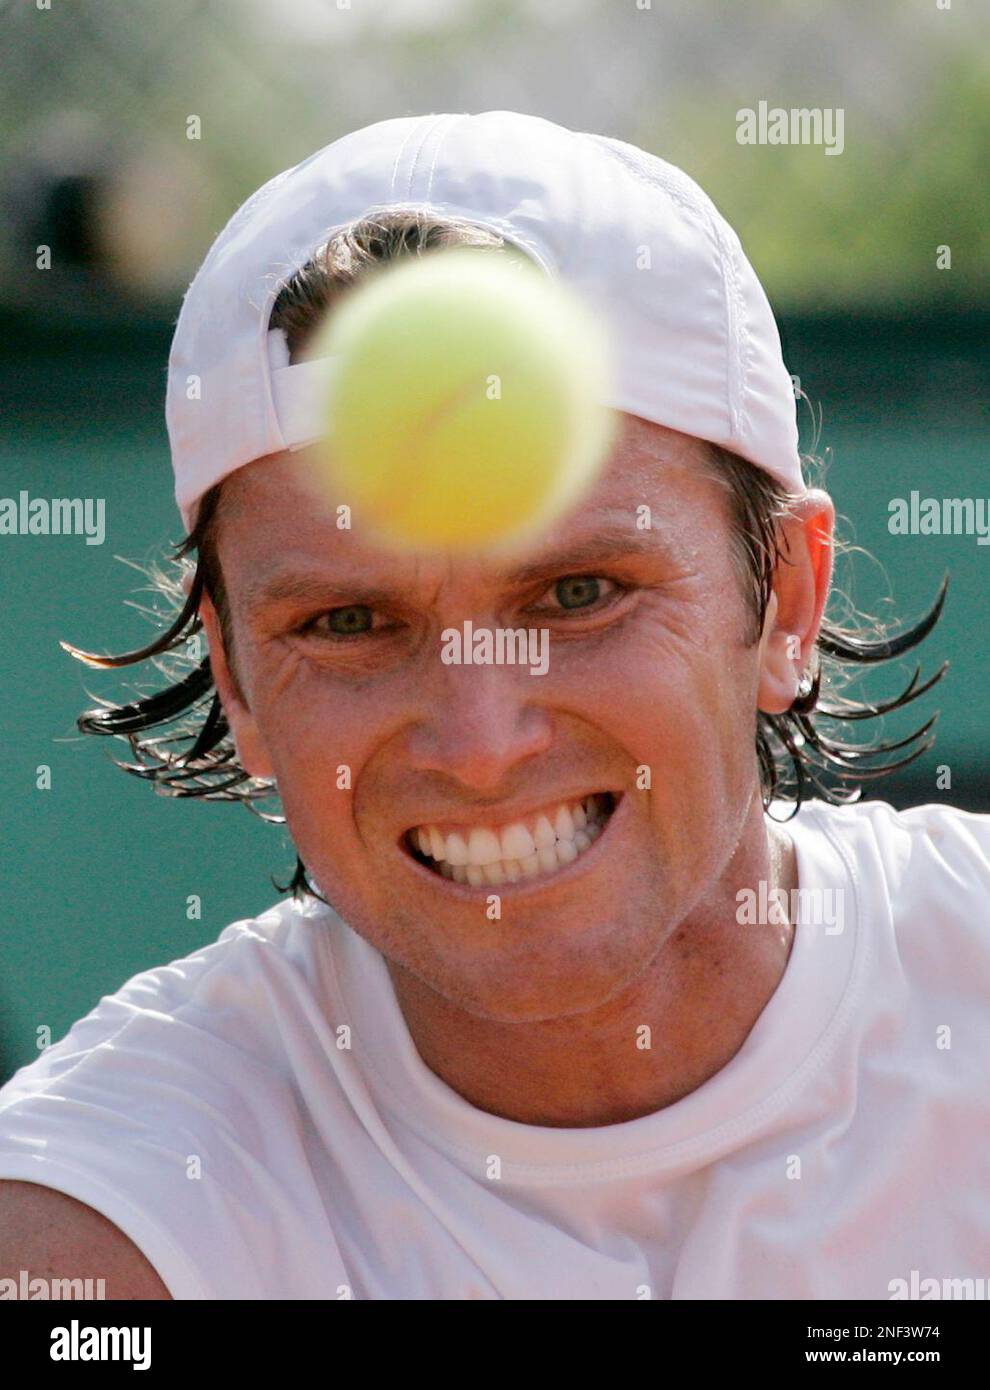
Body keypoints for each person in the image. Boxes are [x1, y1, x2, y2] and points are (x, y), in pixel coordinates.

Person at [1, 111, 986, 1301]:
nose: (480, 746)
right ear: (236, 678)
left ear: (785, 600)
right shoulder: (92, 1242)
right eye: (350, 624)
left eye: (579, 594)